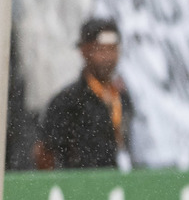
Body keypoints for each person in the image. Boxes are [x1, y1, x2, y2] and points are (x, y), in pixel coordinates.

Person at [34, 18, 134, 170]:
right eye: (100, 50)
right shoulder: (68, 100)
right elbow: (44, 153)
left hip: (114, 186)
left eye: (112, 49)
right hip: (78, 187)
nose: (107, 57)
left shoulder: (122, 97)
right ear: (84, 51)